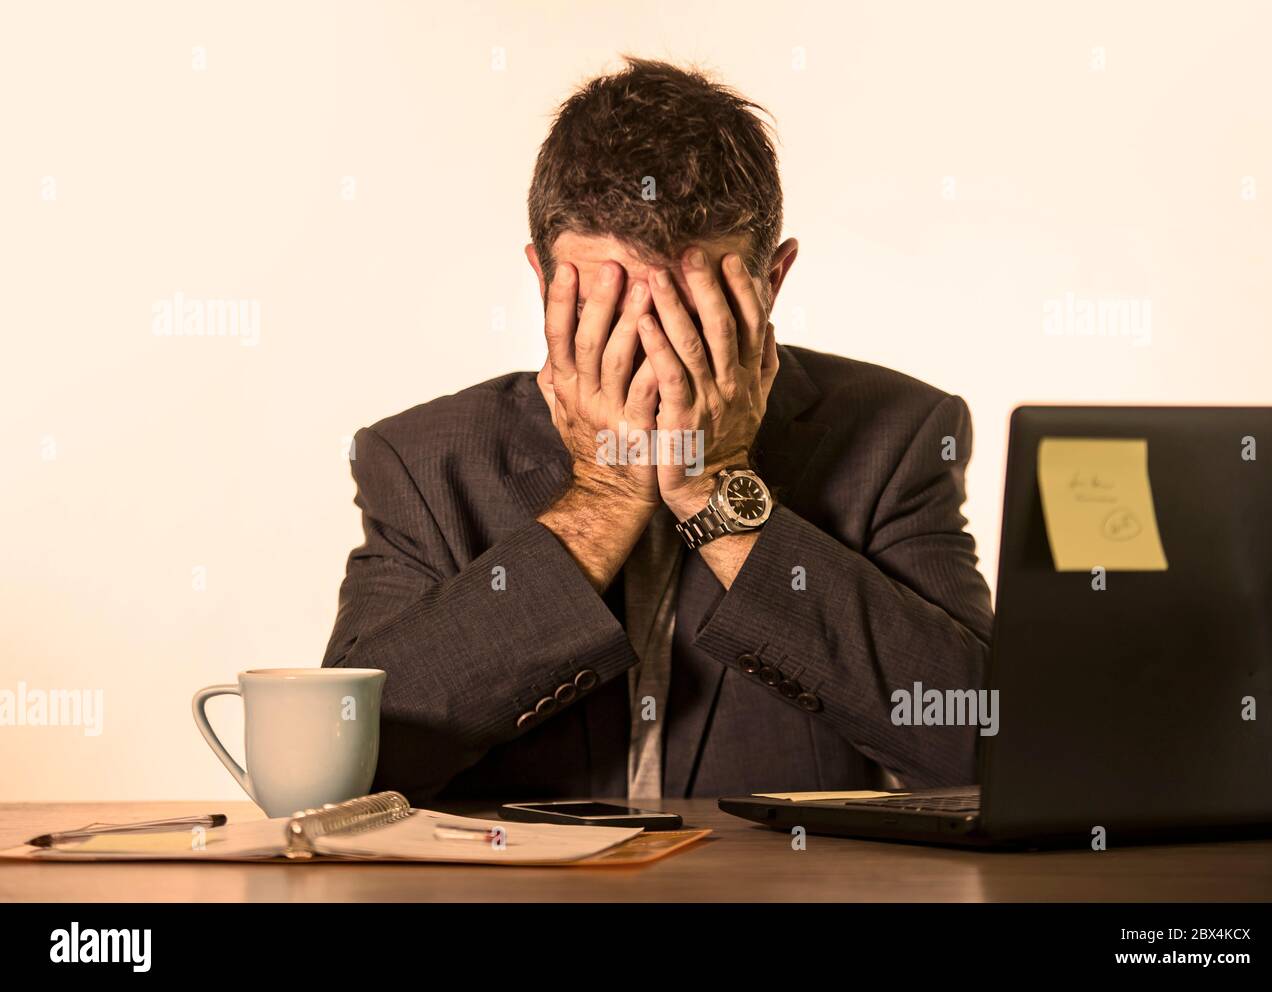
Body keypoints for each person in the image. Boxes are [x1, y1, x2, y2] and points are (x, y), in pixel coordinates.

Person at [323, 57, 992, 806]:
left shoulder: (896, 438)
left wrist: (718, 489)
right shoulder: (425, 461)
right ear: (542, 282)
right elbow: (347, 767)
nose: (649, 356)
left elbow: (984, 749)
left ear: (772, 282)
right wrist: (602, 500)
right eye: (606, 314)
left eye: (689, 314)